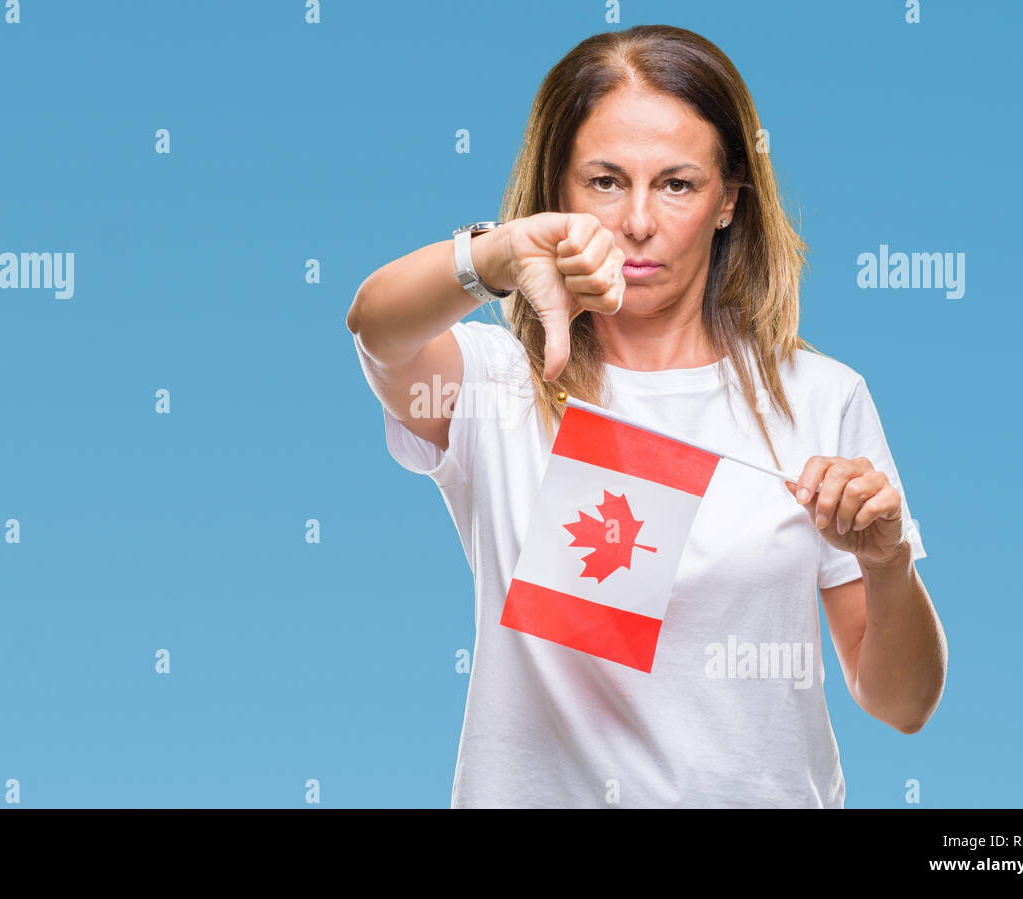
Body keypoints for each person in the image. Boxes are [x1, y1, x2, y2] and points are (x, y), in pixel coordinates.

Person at [345, 24, 946, 808]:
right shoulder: (498, 386)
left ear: (729, 198)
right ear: (557, 190)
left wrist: (887, 561)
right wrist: (494, 255)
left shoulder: (822, 397)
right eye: (603, 180)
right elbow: (376, 327)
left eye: (676, 184)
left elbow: (903, 703)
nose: (636, 220)